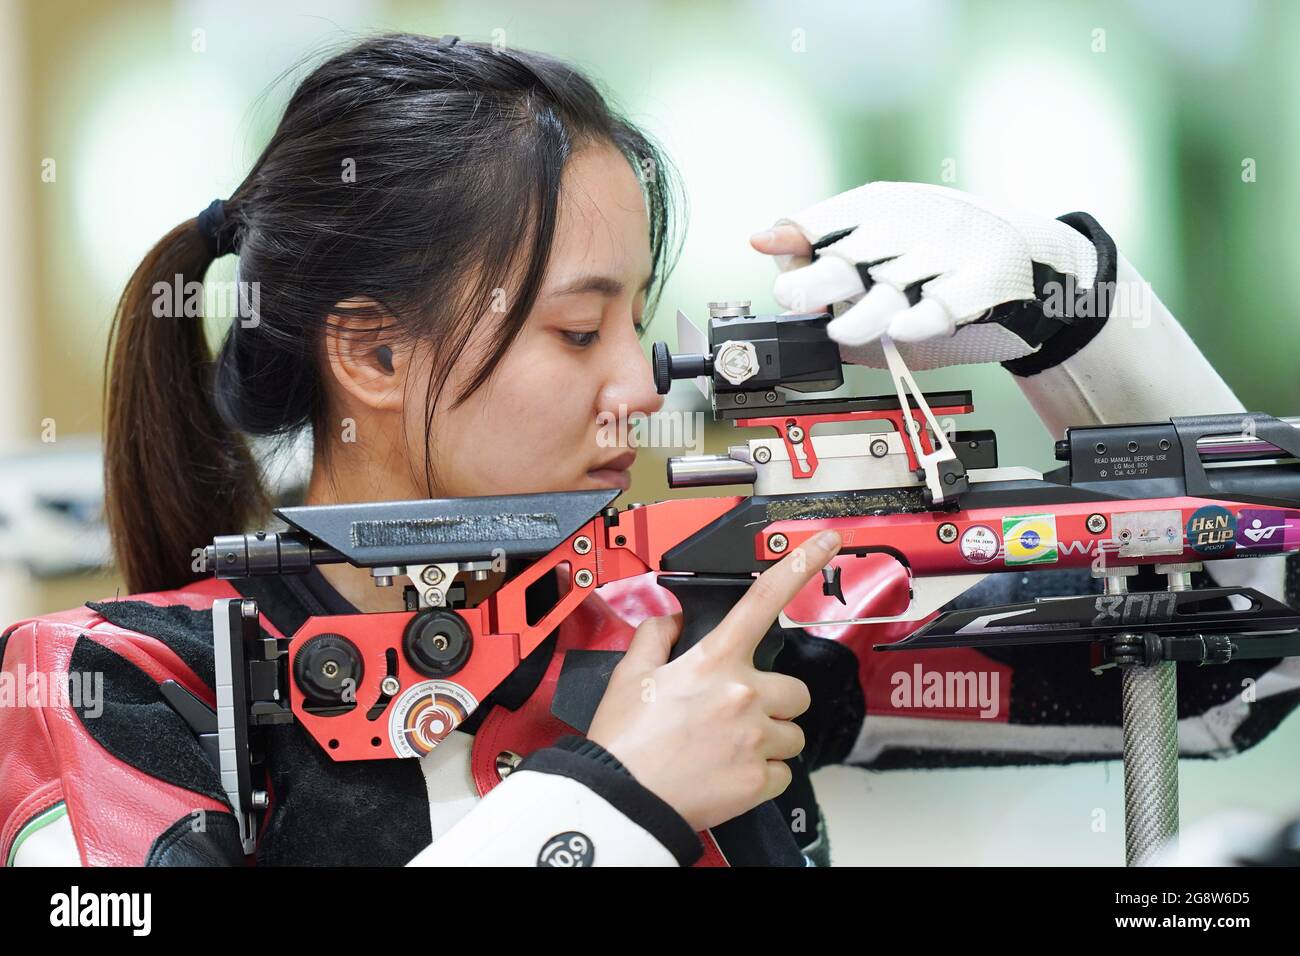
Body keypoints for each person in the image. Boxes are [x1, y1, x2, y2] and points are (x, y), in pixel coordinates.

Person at [1, 33, 1295, 868]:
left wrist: (1078, 310)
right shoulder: (109, 681)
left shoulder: (690, 631)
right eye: (576, 331)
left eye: (637, 318)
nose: (639, 384)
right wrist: (612, 798)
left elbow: (1233, 660)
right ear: (374, 356)